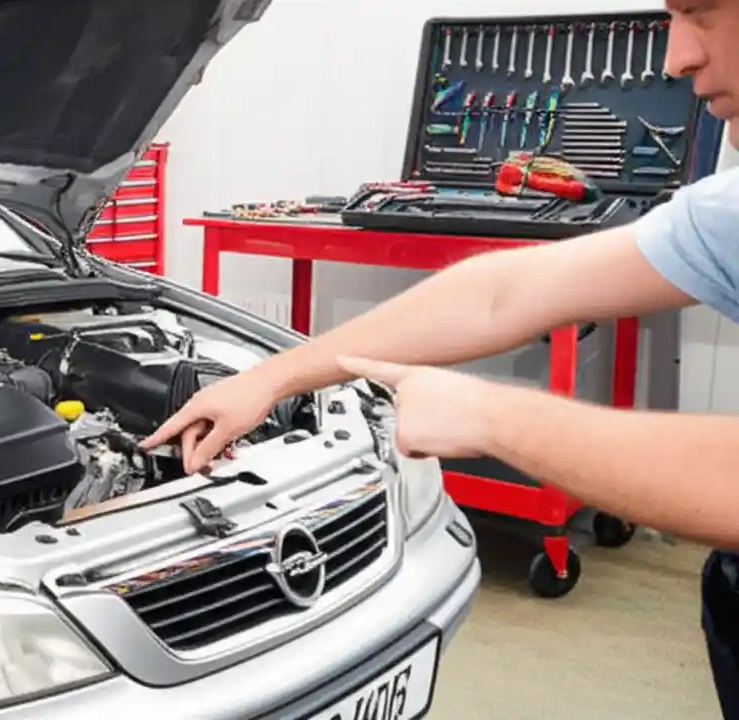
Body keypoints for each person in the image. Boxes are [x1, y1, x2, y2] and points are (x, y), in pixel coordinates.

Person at [139, 0, 739, 716]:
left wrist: (489, 416)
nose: (675, 58)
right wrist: (271, 378)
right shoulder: (727, 212)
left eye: (703, 13)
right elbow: (498, 295)